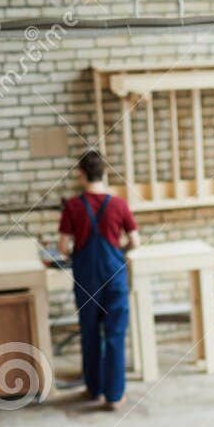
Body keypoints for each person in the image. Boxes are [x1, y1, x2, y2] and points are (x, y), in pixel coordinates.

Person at [57, 150, 139, 412]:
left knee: (90, 333)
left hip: (86, 279)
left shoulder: (72, 206)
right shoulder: (119, 205)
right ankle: (114, 397)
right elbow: (135, 241)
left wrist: (75, 253)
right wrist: (119, 249)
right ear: (105, 173)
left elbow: (63, 247)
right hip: (114, 277)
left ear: (81, 174)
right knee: (115, 334)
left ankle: (95, 389)